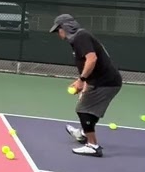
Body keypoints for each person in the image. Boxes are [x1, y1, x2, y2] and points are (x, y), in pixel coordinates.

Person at [49, 13, 122, 157]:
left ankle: (93, 145)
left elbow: (92, 59)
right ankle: (83, 134)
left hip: (106, 82)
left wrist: (82, 79)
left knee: (83, 109)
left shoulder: (80, 37)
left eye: (58, 30)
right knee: (88, 107)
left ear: (64, 27)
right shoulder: (78, 38)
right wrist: (85, 83)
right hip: (104, 81)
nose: (58, 34)